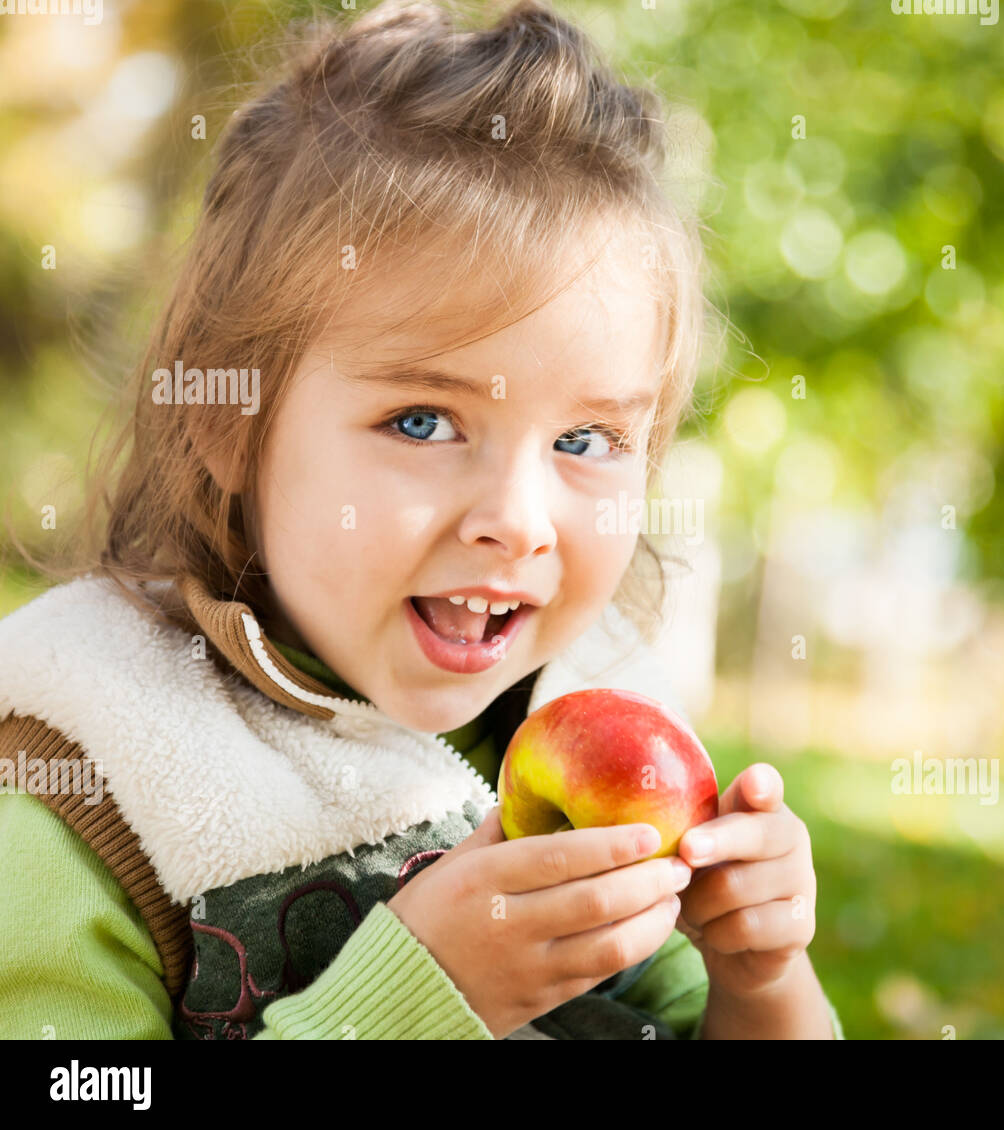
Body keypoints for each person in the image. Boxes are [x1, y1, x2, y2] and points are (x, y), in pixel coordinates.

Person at [0, 0, 842, 1040]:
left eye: (585, 442)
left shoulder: (569, 726)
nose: (518, 520)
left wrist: (759, 980)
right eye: (421, 419)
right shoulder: (87, 781)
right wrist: (417, 1002)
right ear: (229, 420)